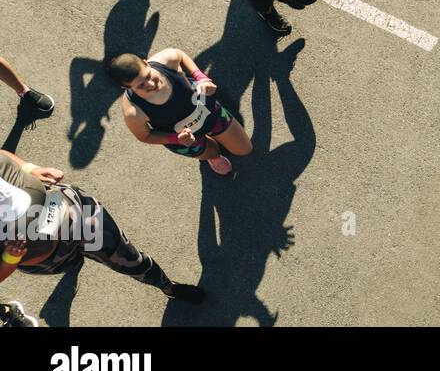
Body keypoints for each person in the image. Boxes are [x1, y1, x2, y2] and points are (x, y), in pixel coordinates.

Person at [0, 148, 204, 305]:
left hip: (79, 213)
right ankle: (73, 263)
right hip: (49, 258)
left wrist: (31, 168)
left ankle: (167, 287)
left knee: (131, 259)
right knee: (70, 265)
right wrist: (11, 257)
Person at [107, 49, 252, 176]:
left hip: (210, 114)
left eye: (148, 76)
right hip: (185, 140)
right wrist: (176, 139)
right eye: (141, 85)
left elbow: (179, 54)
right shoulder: (133, 112)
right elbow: (145, 136)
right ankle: (213, 157)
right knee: (213, 152)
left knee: (244, 150)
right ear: (126, 87)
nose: (151, 84)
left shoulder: (165, 60)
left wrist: (201, 78)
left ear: (146, 63)